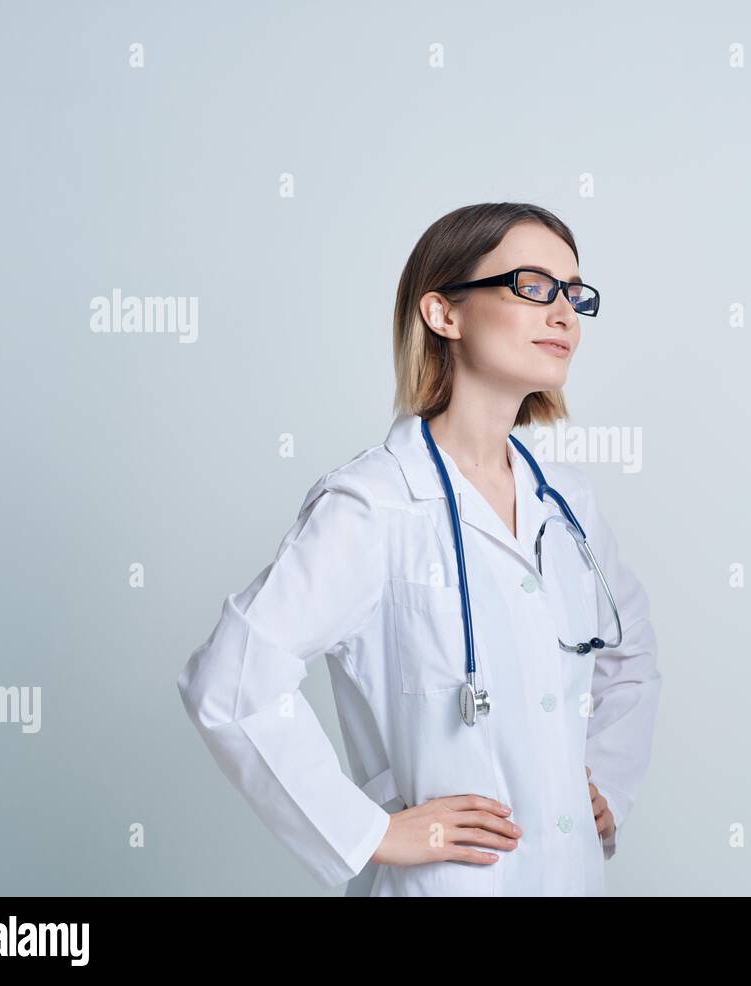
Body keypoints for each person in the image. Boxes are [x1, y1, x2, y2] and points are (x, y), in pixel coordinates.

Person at [176, 202, 661, 896]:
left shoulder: (566, 500)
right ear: (444, 313)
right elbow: (230, 681)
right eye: (533, 286)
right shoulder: (375, 502)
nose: (564, 314)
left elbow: (631, 655)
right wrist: (367, 831)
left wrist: (606, 784)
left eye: (574, 292)